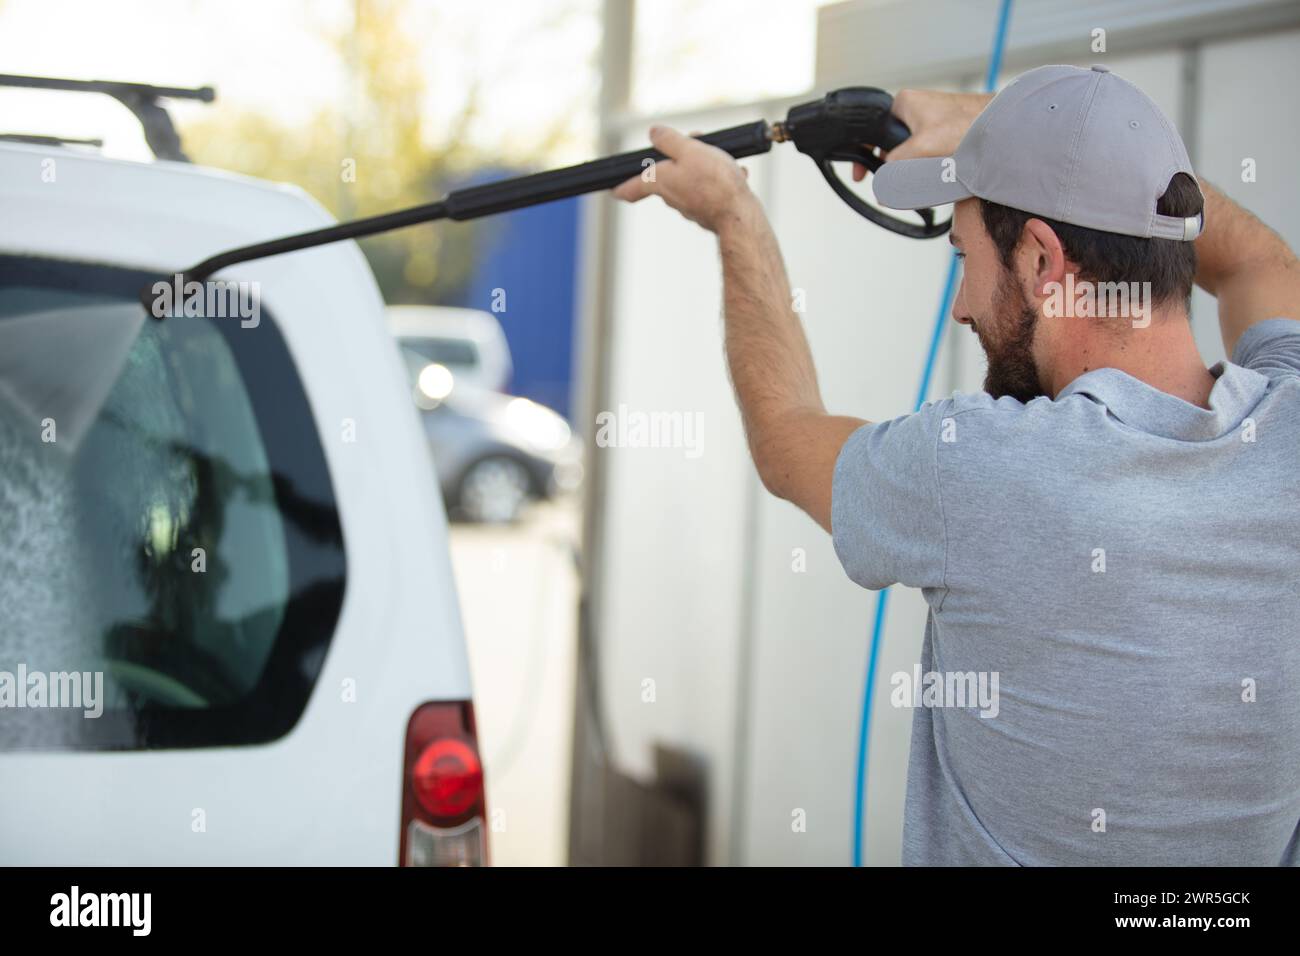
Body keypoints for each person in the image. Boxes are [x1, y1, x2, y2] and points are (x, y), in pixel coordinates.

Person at [613, 64, 1300, 865]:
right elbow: (1261, 262)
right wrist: (1004, 131)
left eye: (963, 257)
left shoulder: (983, 471)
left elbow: (785, 433)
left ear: (1043, 263)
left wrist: (733, 215)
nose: (962, 305)